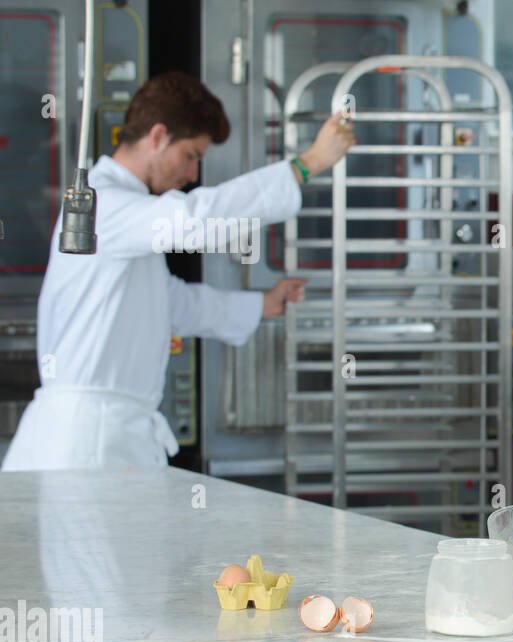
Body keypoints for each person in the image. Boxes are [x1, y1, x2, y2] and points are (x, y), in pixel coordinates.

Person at [2, 71, 355, 471]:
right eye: (192, 156)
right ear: (157, 136)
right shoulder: (101, 204)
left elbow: (170, 304)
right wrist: (306, 164)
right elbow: (194, 220)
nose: (191, 175)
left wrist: (261, 305)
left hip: (109, 435)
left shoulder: (126, 213)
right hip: (89, 443)